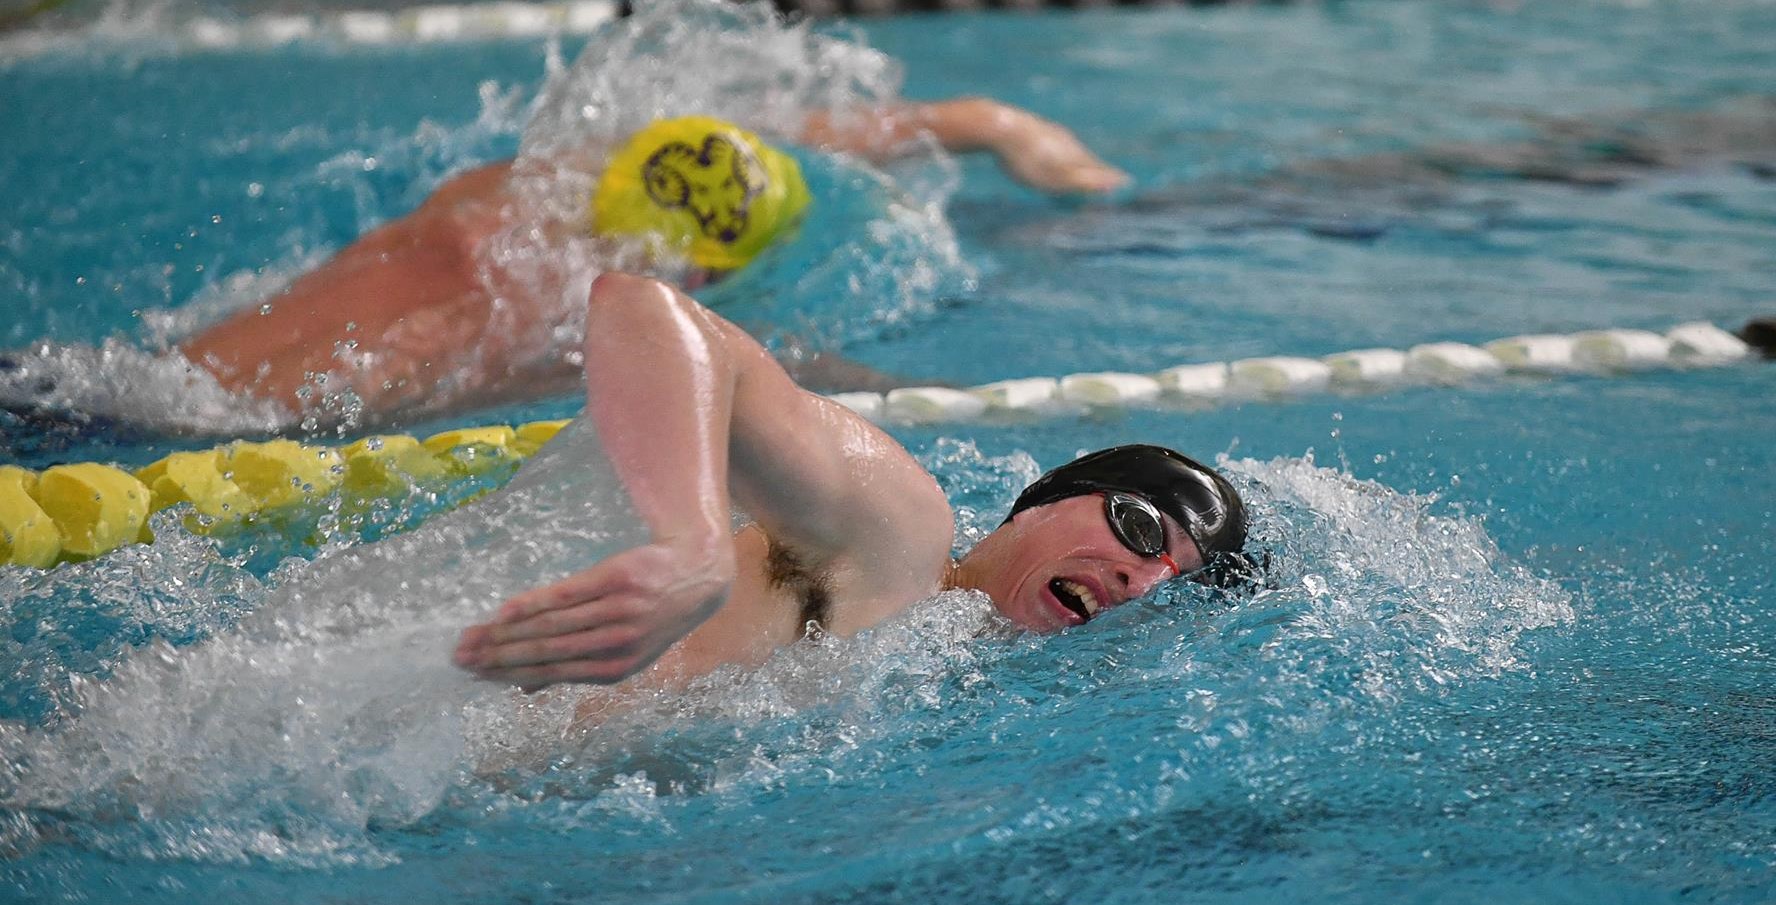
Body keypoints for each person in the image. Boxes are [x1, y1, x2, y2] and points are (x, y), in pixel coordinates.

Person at [452, 272, 1250, 693]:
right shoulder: (897, 534)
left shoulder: (941, 678)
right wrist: (687, 549)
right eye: (1142, 531)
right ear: (1044, 501)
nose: (1142, 582)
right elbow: (644, 308)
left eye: (1170, 582)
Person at [166, 100, 1129, 430]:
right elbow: (752, 373)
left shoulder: (498, 189)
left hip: (130, 374)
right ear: (703, 274)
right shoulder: (560, 312)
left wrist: (978, 123)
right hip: (170, 434)